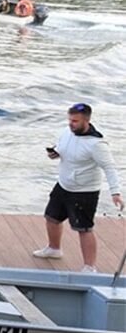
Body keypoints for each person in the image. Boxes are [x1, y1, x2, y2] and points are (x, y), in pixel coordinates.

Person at [32, 103, 123, 272]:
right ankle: (54, 249)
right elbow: (62, 148)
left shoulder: (97, 144)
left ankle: (89, 266)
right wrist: (55, 153)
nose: (70, 124)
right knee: (51, 217)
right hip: (63, 184)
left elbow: (109, 167)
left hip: (84, 192)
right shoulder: (66, 132)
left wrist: (115, 192)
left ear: (86, 121)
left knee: (84, 228)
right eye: (69, 120)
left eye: (75, 121)